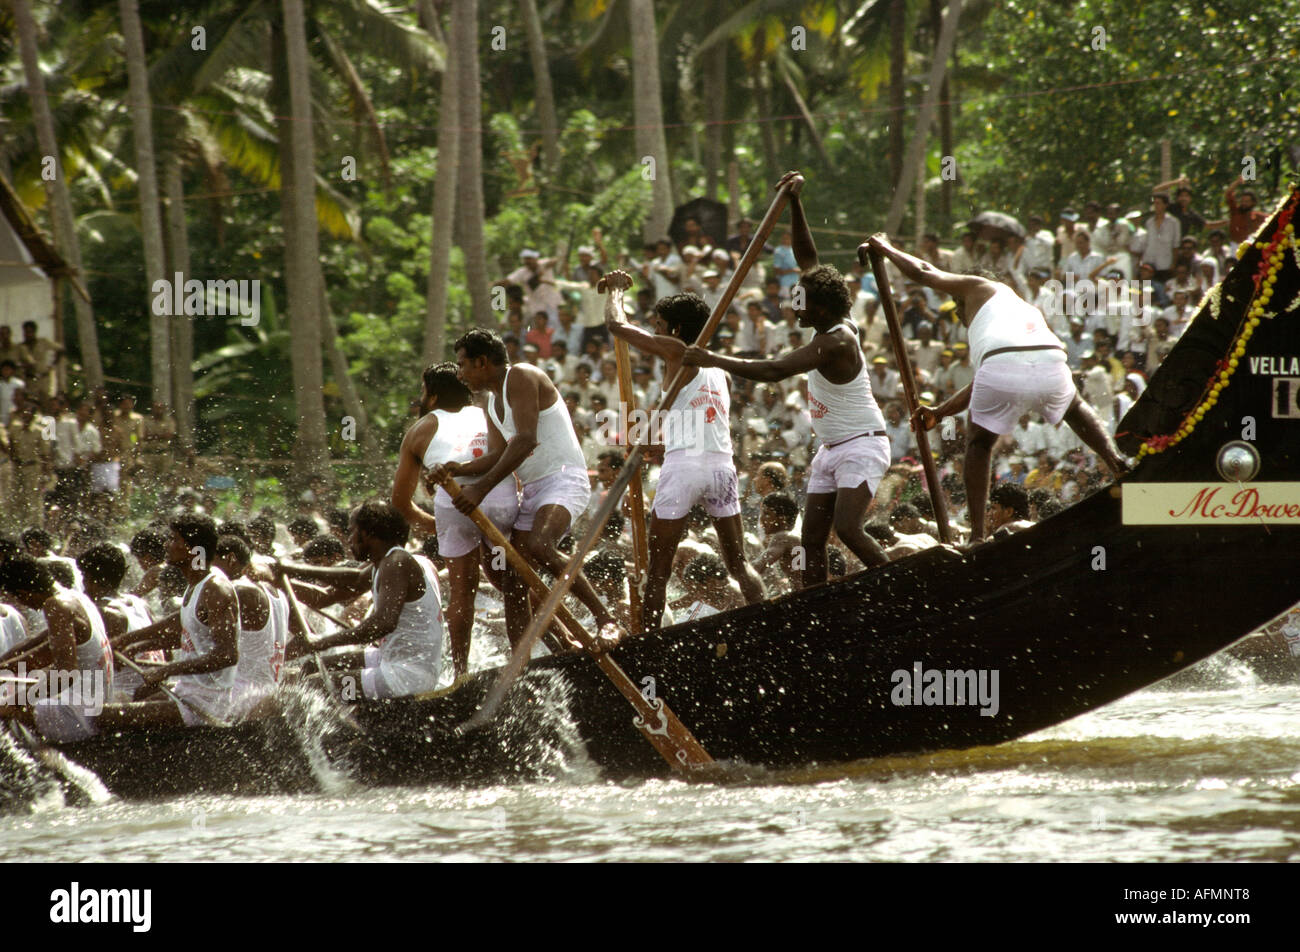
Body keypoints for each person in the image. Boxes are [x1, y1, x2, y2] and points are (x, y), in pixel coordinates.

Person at [686, 172, 891, 585]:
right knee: (812, 541)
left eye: (803, 304)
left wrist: (710, 357)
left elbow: (773, 370)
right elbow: (808, 259)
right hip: (830, 449)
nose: (796, 309)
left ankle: (898, 586)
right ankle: (815, 605)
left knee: (848, 530)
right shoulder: (830, 317)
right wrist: (796, 202)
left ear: (822, 307)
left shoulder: (836, 343)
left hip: (862, 445)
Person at [866, 233, 1129, 542]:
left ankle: (977, 536)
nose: (959, 317)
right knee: (1075, 406)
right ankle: (1117, 463)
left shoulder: (978, 286)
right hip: (1052, 362)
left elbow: (923, 272)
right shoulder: (1019, 307)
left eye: (956, 310)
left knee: (979, 445)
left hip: (1005, 365)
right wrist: (939, 411)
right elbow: (992, 377)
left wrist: (886, 249)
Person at [427, 329, 618, 646]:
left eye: (463, 365)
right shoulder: (489, 403)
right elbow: (497, 454)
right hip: (533, 491)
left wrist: (481, 490)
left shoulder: (522, 375)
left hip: (564, 478)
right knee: (513, 578)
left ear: (482, 362)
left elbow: (526, 439)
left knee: (541, 546)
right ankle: (527, 660)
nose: (459, 374)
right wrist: (459, 468)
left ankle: (606, 619)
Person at [600, 272, 764, 630]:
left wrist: (614, 290)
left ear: (674, 330)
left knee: (657, 572)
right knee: (739, 564)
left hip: (684, 469)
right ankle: (769, 622)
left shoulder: (676, 351)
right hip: (722, 467)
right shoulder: (722, 367)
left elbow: (616, 325)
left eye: (658, 326)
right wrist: (658, 442)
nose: (655, 332)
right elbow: (699, 419)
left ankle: (650, 647)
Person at [391, 362, 518, 680]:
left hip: (454, 505)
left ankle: (461, 672)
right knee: (512, 585)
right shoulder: (488, 411)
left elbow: (401, 503)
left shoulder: (419, 430)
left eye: (423, 392)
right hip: (501, 501)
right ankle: (532, 652)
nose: (421, 398)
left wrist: (441, 527)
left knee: (463, 594)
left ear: (432, 397)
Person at [279, 501, 444, 699]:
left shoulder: (396, 563)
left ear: (366, 533)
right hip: (392, 661)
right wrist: (286, 573)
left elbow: (383, 623)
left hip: (405, 677)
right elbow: (334, 592)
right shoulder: (387, 561)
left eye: (351, 532)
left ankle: (348, 728)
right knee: (313, 666)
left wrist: (323, 642)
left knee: (313, 686)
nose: (348, 540)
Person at [98, 514, 240, 728]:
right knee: (138, 694)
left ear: (193, 550)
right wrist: (129, 641)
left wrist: (167, 670)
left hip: (206, 703)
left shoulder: (215, 588)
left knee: (102, 716)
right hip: (187, 691)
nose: (166, 545)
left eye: (174, 540)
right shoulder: (197, 582)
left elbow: (227, 655)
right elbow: (183, 619)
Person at [0, 555, 113, 742]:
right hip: (92, 704)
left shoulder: (56, 606)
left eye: (19, 599)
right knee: (13, 689)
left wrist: (13, 701)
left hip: (78, 714)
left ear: (24, 593)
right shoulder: (75, 597)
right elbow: (35, 645)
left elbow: (66, 673)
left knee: (7, 703)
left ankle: (39, 767)